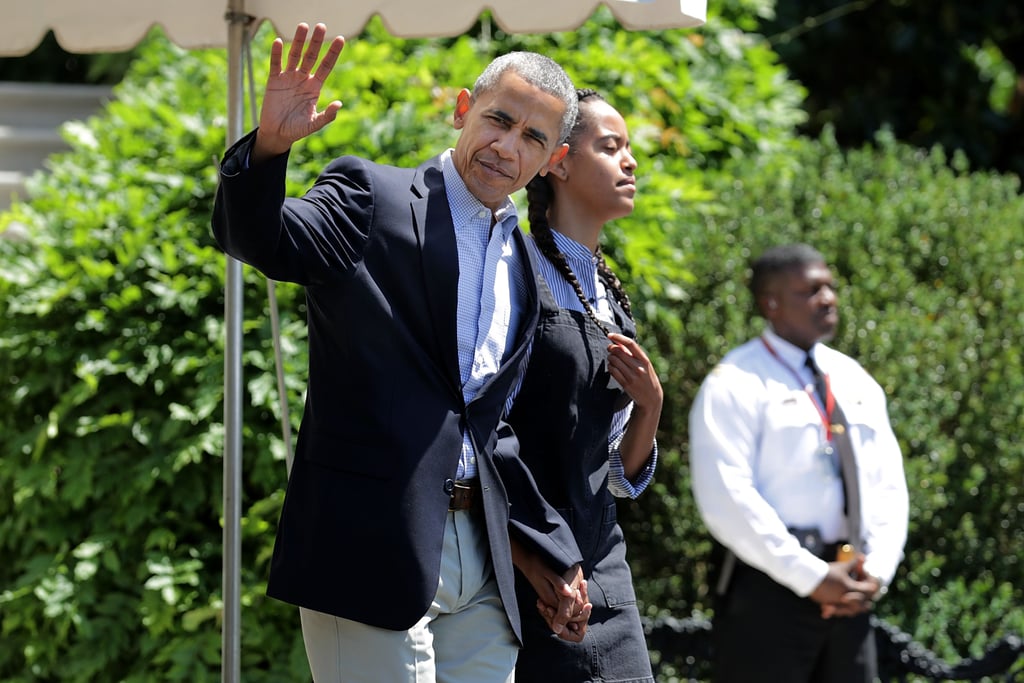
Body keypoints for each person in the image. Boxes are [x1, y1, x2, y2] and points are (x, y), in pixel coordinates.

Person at [211, 22, 590, 683]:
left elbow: (485, 424)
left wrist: (547, 547)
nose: (507, 146)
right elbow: (262, 240)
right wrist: (269, 149)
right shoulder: (371, 195)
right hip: (369, 544)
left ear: (553, 159)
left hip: (483, 562)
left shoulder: (525, 262)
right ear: (463, 109)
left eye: (533, 137)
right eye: (499, 120)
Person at [688, 243, 910, 682]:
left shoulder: (853, 378)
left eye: (829, 287)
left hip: (852, 587)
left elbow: (889, 485)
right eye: (810, 290)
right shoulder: (735, 382)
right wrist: (811, 577)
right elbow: (726, 498)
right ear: (771, 303)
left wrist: (876, 572)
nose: (828, 299)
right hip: (770, 590)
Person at [507, 89, 663, 682]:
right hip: (529, 569)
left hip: (603, 565)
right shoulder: (512, 272)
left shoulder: (609, 294)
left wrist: (650, 407)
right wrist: (533, 555)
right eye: (611, 146)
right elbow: (480, 430)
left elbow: (617, 476)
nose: (630, 162)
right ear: (560, 162)